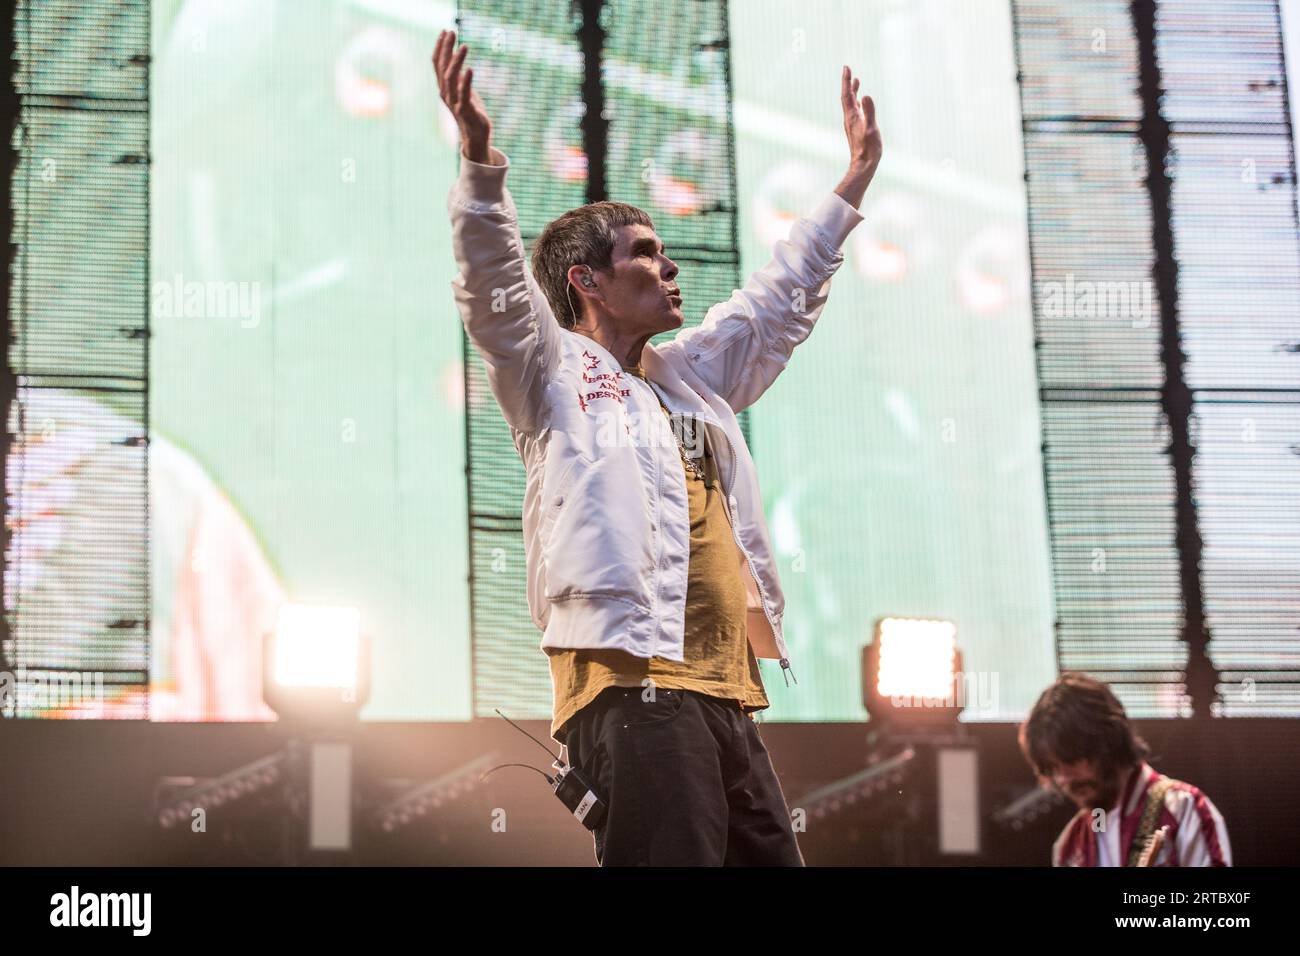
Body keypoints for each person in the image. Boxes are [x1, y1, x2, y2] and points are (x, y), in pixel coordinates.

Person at [435, 29, 881, 865]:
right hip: (633, 690)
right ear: (586, 283)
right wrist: (480, 160)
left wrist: (850, 184)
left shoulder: (688, 379)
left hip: (727, 695)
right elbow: (493, 288)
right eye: (646, 253)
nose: (670, 266)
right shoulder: (552, 375)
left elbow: (776, 304)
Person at [1019, 673, 1231, 866]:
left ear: (1108, 741)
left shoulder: (1183, 808)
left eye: (1072, 760)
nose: (1064, 778)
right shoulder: (1069, 847)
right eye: (1053, 769)